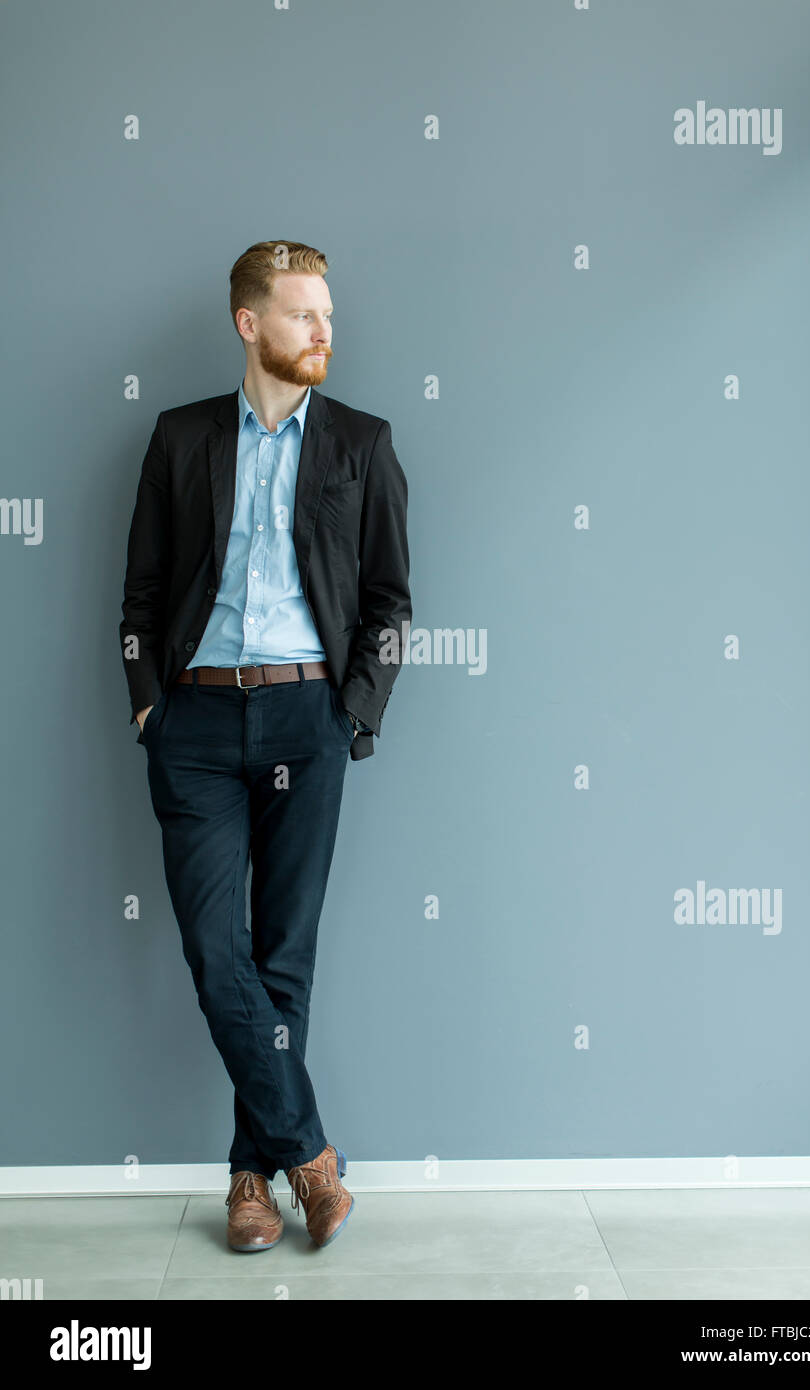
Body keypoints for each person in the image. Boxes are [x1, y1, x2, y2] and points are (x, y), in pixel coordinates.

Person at [119, 240, 411, 1250]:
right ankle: (313, 1161)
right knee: (216, 950)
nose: (324, 330)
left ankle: (250, 1179)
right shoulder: (179, 438)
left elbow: (388, 601)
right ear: (250, 324)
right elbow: (144, 590)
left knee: (283, 958)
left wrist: (354, 715)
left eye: (327, 312)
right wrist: (148, 704)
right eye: (302, 314)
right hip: (194, 719)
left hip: (306, 716)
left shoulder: (361, 443)